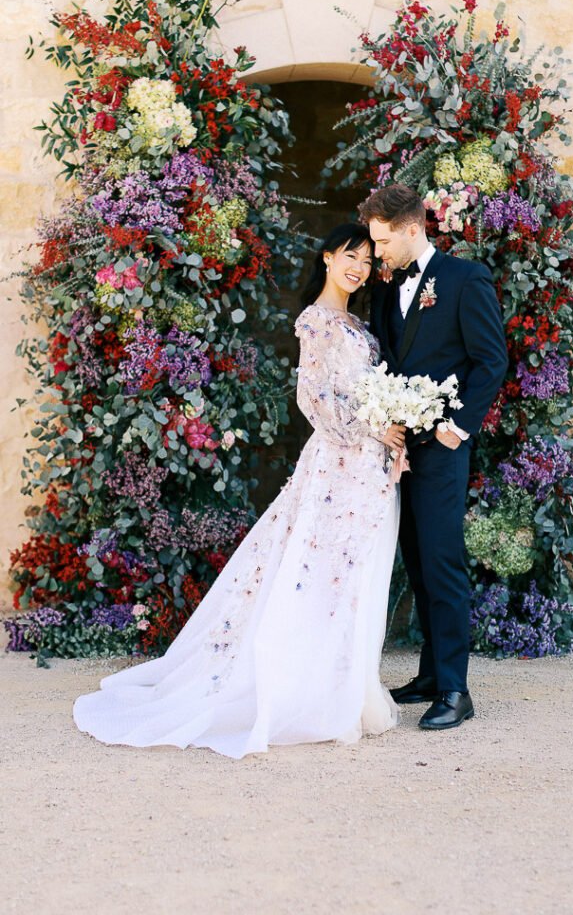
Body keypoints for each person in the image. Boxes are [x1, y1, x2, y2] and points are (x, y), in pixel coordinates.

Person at [73, 223, 406, 759]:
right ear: (327, 256)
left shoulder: (360, 325)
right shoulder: (318, 322)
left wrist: (392, 424)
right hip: (338, 468)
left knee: (354, 573)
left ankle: (345, 685)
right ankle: (308, 692)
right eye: (351, 256)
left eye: (368, 261)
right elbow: (314, 401)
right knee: (319, 570)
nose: (359, 268)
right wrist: (374, 427)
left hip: (369, 469)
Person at [361, 184, 508, 731]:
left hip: (442, 451)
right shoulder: (388, 287)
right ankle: (429, 673)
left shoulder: (464, 279)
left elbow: (491, 361)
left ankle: (455, 689)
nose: (377, 253)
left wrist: (457, 429)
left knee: (443, 566)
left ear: (411, 228)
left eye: (382, 242)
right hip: (399, 454)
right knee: (418, 564)